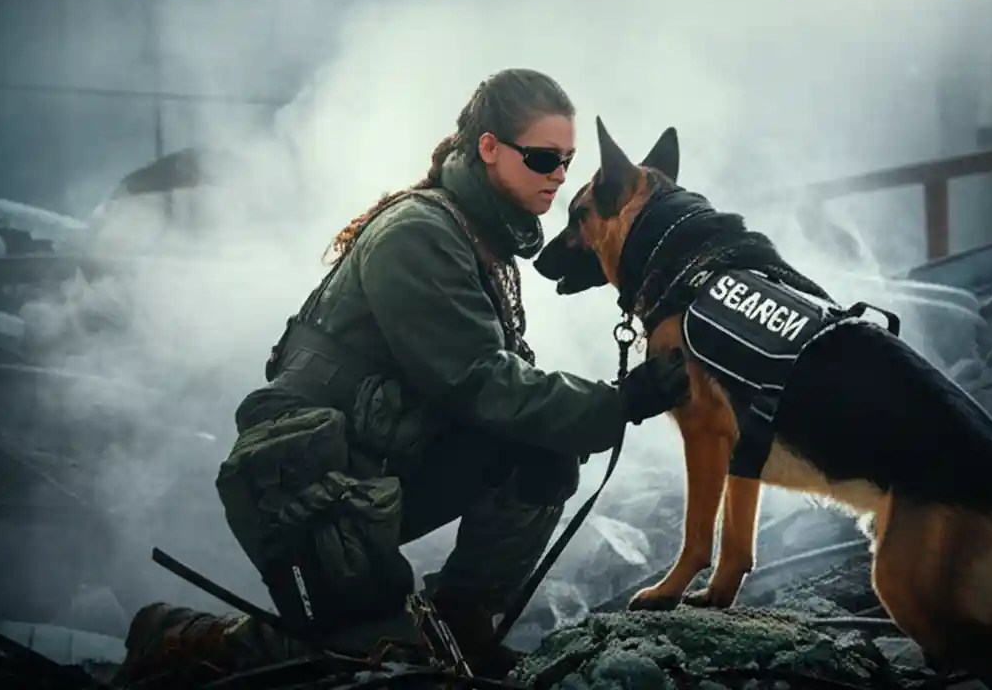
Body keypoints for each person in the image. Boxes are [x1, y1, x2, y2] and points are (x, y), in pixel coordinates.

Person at [113, 68, 690, 685]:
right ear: (489, 148)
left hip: (374, 465)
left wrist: (608, 402)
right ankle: (175, 638)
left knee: (540, 455)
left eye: (566, 162)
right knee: (373, 661)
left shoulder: (479, 240)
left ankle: (464, 622)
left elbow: (508, 396)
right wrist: (619, 401)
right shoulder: (418, 234)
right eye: (543, 157)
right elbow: (479, 383)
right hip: (306, 479)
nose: (558, 176)